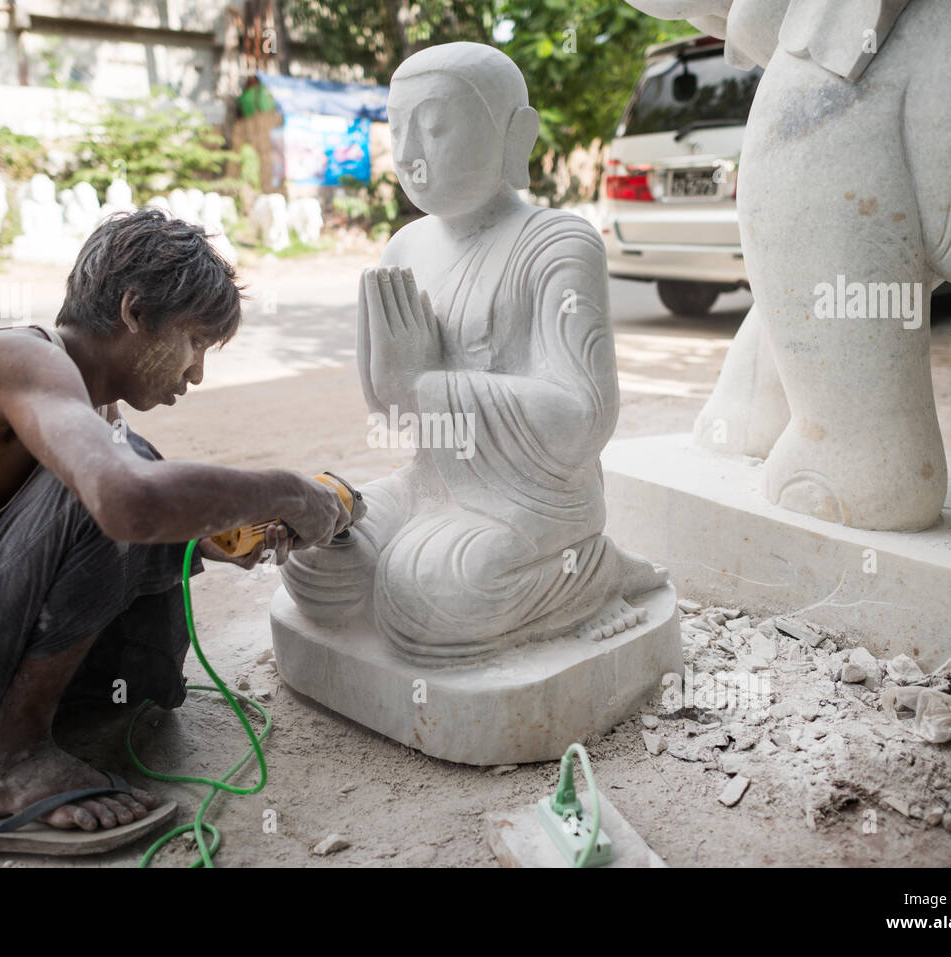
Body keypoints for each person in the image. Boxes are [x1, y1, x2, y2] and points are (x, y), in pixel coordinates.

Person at [0, 208, 350, 848]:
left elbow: (94, 529)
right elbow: (122, 503)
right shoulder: (14, 362)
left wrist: (217, 535)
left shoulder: (82, 402)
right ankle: (7, 765)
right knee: (124, 473)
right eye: (195, 341)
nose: (197, 373)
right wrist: (286, 489)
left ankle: (29, 733)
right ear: (135, 312)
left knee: (129, 477)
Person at [280, 43, 666, 661]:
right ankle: (481, 575)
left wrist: (424, 381)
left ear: (517, 135)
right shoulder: (404, 249)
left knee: (424, 594)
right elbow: (398, 418)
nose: (410, 153)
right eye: (398, 128)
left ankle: (593, 571)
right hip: (432, 482)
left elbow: (583, 418)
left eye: (434, 126)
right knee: (317, 560)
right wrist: (392, 382)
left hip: (537, 502)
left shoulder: (557, 244)